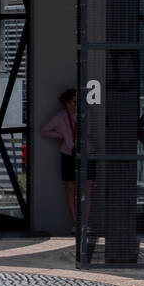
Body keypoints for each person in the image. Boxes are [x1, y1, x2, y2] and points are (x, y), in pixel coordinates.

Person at [41, 87, 93, 225]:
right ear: (67, 103)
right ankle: (76, 222)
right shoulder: (60, 117)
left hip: (86, 152)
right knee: (71, 188)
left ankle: (85, 222)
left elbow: (87, 132)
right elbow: (45, 130)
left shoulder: (84, 114)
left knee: (88, 186)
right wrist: (62, 136)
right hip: (69, 153)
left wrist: (76, 118)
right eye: (74, 102)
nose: (76, 105)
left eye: (78, 102)